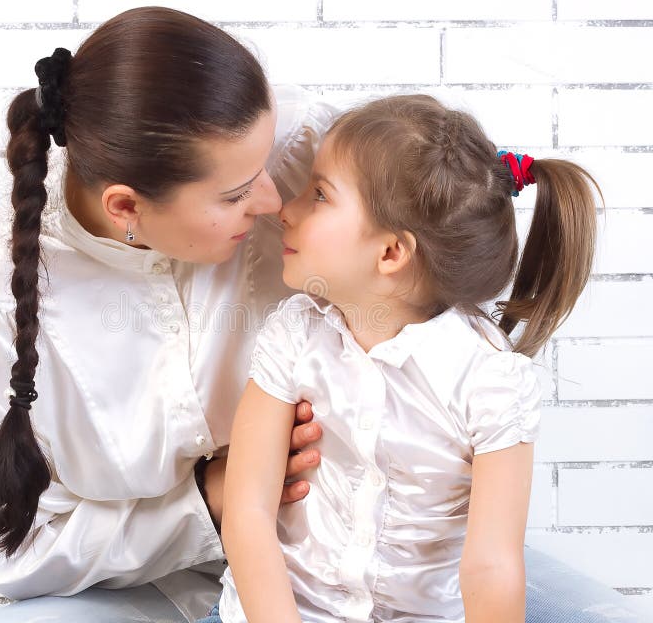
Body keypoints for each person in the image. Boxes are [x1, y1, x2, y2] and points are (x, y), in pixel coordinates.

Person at [0, 6, 648, 623]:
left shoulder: (310, 154)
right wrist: (206, 500)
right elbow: (16, 553)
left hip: (410, 580)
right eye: (234, 195)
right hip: (165, 587)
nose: (274, 201)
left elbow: (428, 224)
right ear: (127, 208)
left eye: (288, 178)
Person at [208, 95, 604, 623]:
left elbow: (491, 567)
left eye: (319, 195)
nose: (287, 208)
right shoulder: (294, 333)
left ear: (391, 252)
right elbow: (247, 513)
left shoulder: (490, 381)